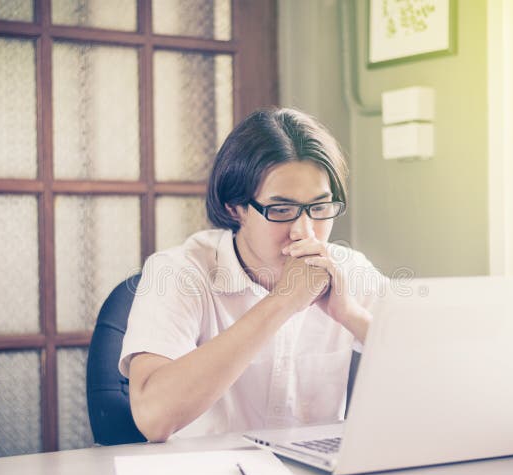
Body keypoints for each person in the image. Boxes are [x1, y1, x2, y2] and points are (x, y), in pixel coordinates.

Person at [119, 108, 386, 442]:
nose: (305, 232)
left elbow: (432, 378)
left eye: (319, 208)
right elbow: (152, 417)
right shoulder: (178, 272)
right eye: (281, 210)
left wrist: (350, 314)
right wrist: (282, 302)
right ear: (236, 208)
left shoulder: (351, 270)